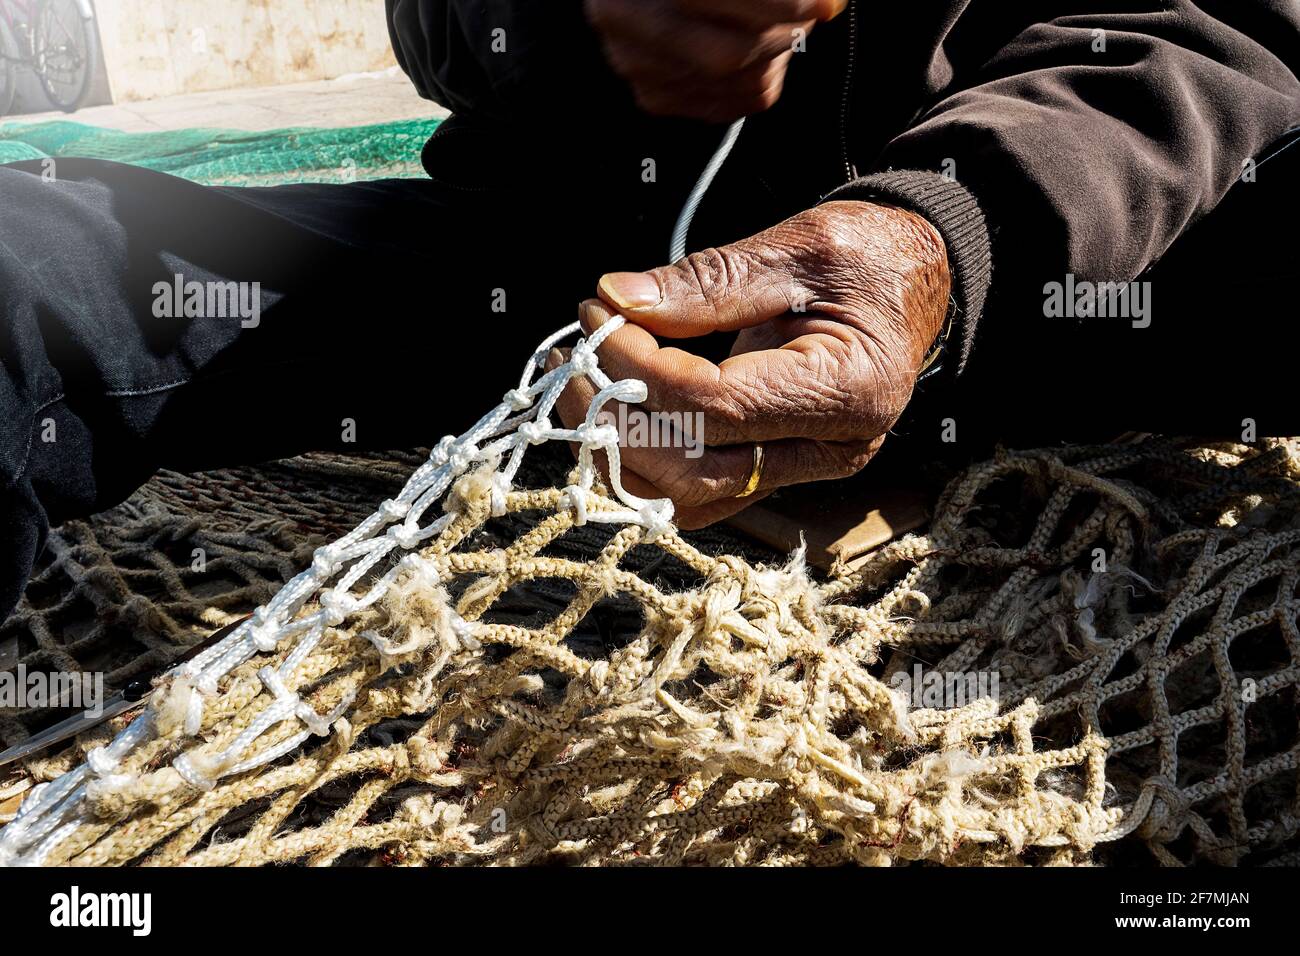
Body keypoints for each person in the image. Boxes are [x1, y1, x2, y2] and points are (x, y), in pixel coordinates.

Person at [1, 0, 1297, 620]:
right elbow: (436, 22)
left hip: (1080, 259)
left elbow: (1223, 27)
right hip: (575, 280)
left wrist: (947, 231)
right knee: (30, 262)